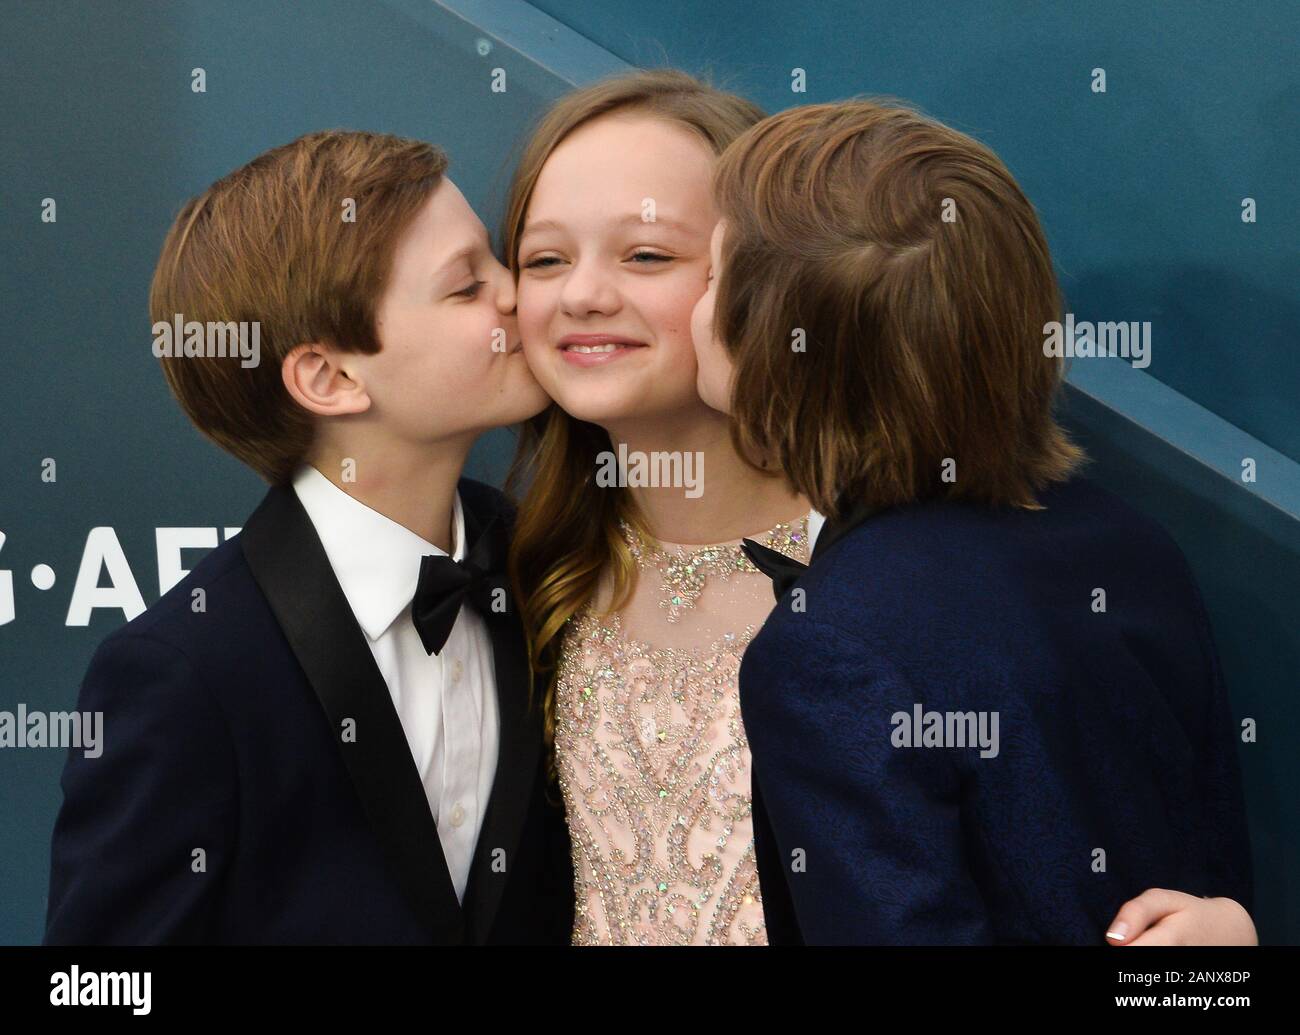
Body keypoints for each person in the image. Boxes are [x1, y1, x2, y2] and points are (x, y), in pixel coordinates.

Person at [504, 70, 1254, 945]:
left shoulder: (841, 634)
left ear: (780, 332)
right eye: (543, 257)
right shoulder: (520, 569)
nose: (585, 293)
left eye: (665, 260)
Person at [45, 130, 573, 944]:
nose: (520, 295)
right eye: (468, 286)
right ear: (330, 378)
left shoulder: (553, 562)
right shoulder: (187, 672)